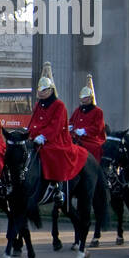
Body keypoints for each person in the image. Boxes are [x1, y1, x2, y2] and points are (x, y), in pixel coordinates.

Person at [25, 62, 87, 205]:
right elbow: (33, 121)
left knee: (52, 152)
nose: (42, 93)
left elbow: (56, 126)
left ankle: (56, 186)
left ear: (51, 90)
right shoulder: (38, 104)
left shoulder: (59, 105)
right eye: (40, 90)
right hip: (37, 138)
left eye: (45, 90)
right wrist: (28, 133)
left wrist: (44, 136)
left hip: (56, 139)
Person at [68, 73, 106, 162]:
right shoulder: (78, 110)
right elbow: (71, 121)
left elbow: (98, 127)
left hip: (91, 139)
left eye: (86, 98)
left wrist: (85, 131)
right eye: (82, 98)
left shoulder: (98, 111)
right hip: (77, 137)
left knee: (94, 148)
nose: (83, 101)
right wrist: (70, 127)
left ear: (91, 98)